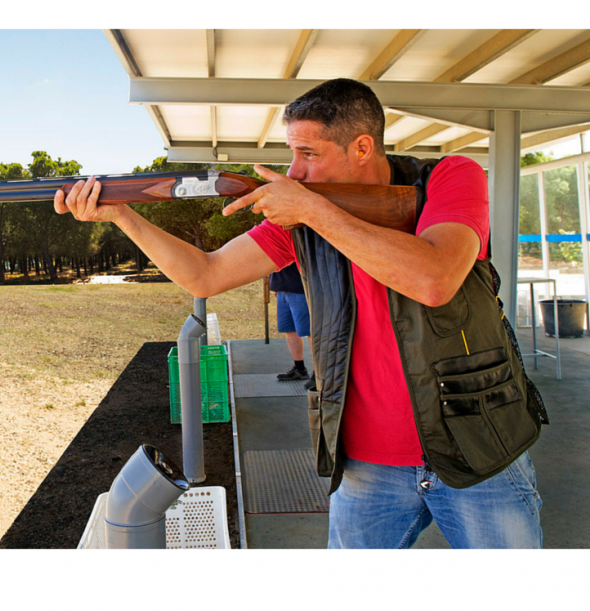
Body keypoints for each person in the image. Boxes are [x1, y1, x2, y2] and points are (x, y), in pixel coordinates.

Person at [55, 78, 548, 549]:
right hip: (365, 464)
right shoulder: (304, 212)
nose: (293, 173)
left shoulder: (448, 177)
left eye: (308, 154)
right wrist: (123, 214)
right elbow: (204, 275)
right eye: (292, 153)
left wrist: (312, 212)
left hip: (478, 443)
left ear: (361, 147)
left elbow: (435, 279)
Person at [269, 264, 315, 389]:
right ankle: (299, 368)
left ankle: (319, 374)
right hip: (282, 288)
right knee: (290, 330)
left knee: (310, 331)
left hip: (299, 288)